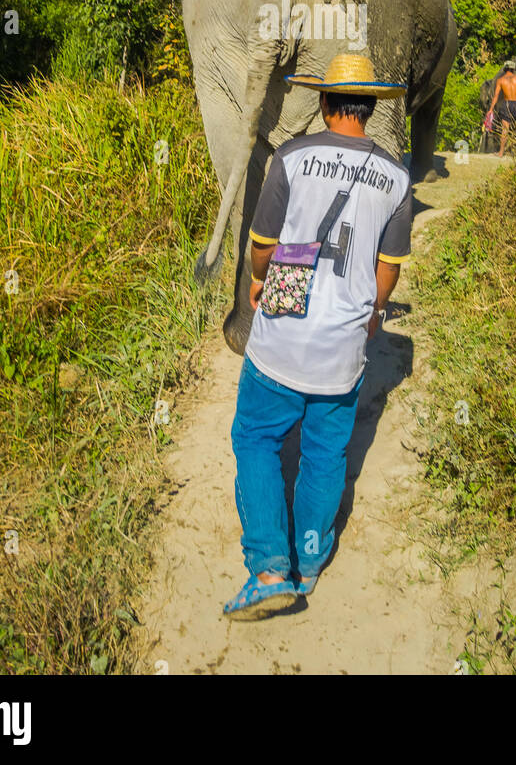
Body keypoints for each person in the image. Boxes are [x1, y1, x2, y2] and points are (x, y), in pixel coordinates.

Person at [223, 53, 412, 620]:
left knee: (256, 437)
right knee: (327, 453)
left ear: (325, 103)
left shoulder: (291, 156)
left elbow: (262, 241)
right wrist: (372, 312)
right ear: (371, 106)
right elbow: (389, 267)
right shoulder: (397, 178)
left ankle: (268, 569)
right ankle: (310, 558)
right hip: (343, 350)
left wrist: (258, 281)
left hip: (281, 335)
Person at [490, 60, 516, 157]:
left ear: (505, 69)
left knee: (505, 130)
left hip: (507, 105)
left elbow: (495, 96)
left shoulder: (500, 80)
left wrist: (490, 109)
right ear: (513, 69)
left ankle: (500, 153)